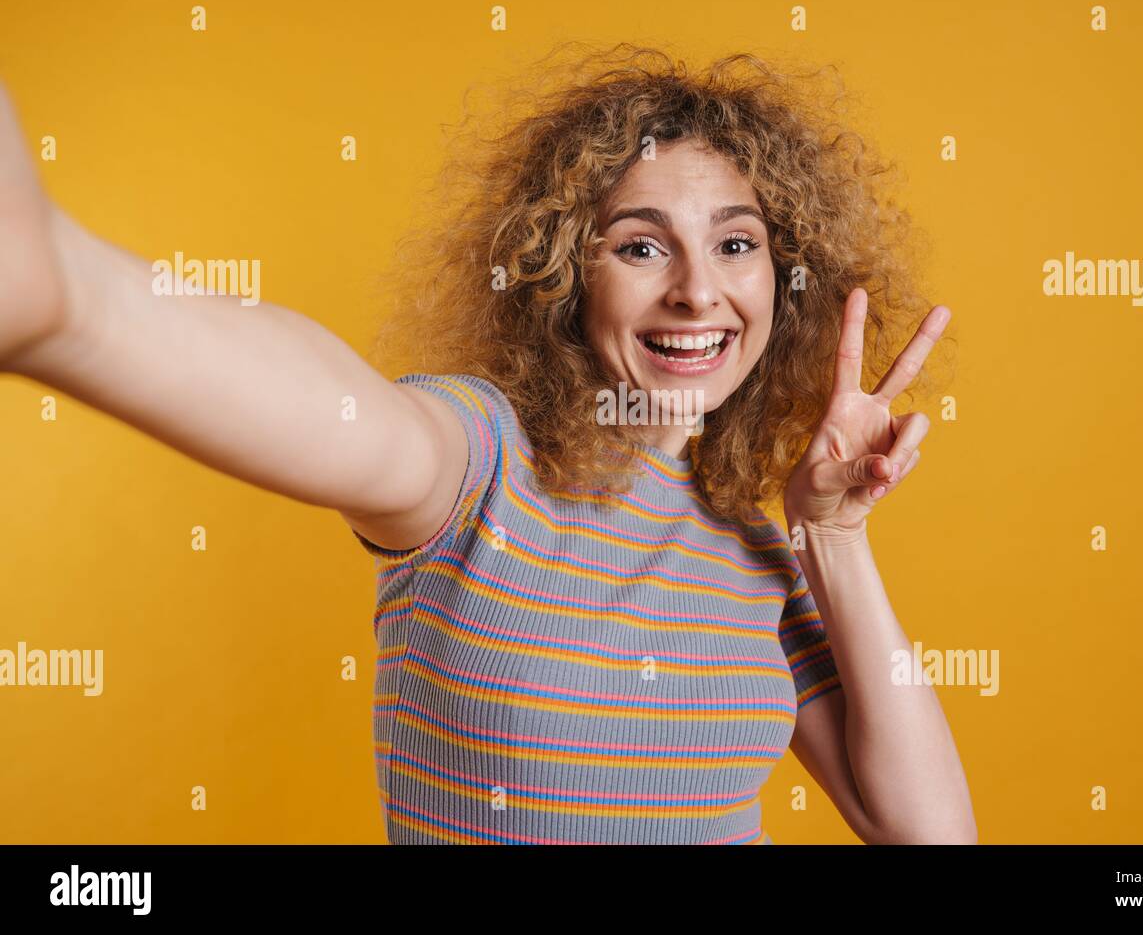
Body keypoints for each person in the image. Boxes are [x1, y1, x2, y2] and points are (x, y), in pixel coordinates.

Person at [0, 43, 976, 844]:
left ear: (779, 278)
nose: (695, 289)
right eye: (640, 245)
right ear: (565, 274)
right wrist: (75, 304)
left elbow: (925, 835)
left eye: (735, 243)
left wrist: (833, 539)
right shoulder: (481, 458)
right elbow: (345, 416)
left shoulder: (756, 548)